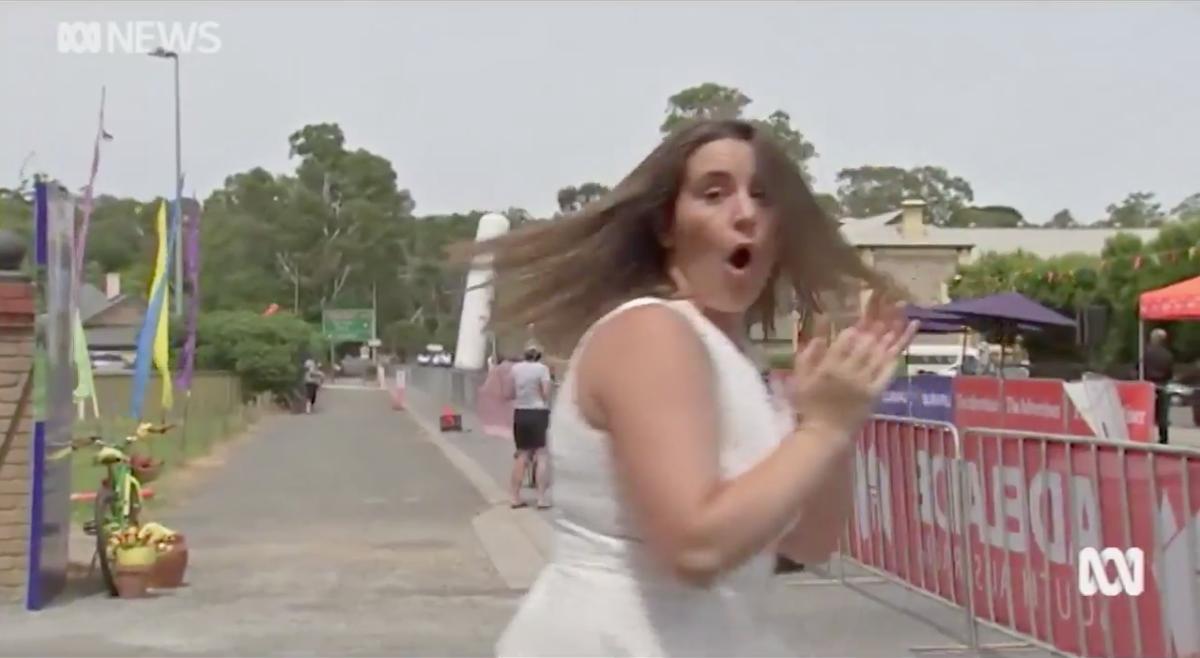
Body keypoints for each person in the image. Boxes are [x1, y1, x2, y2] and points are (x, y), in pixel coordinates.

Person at [453, 118, 915, 657]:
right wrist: (824, 429)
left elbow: (808, 542)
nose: (744, 214)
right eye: (714, 194)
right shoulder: (652, 334)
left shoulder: (735, 358)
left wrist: (829, 428)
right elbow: (695, 546)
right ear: (667, 225)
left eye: (763, 197)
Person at [508, 344, 553, 508]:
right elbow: (546, 393)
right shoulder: (542, 369)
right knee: (541, 455)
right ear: (539, 355)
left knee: (522, 455)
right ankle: (541, 498)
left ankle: (514, 497)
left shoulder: (515, 369)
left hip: (520, 413)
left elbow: (509, 392)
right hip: (538, 413)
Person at [1144, 327, 1174, 444]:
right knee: (1163, 413)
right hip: (1163, 384)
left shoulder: (1147, 352)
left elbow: (1140, 367)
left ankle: (1146, 435)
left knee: (1148, 411)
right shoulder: (1168, 355)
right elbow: (1170, 372)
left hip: (1148, 385)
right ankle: (1163, 437)